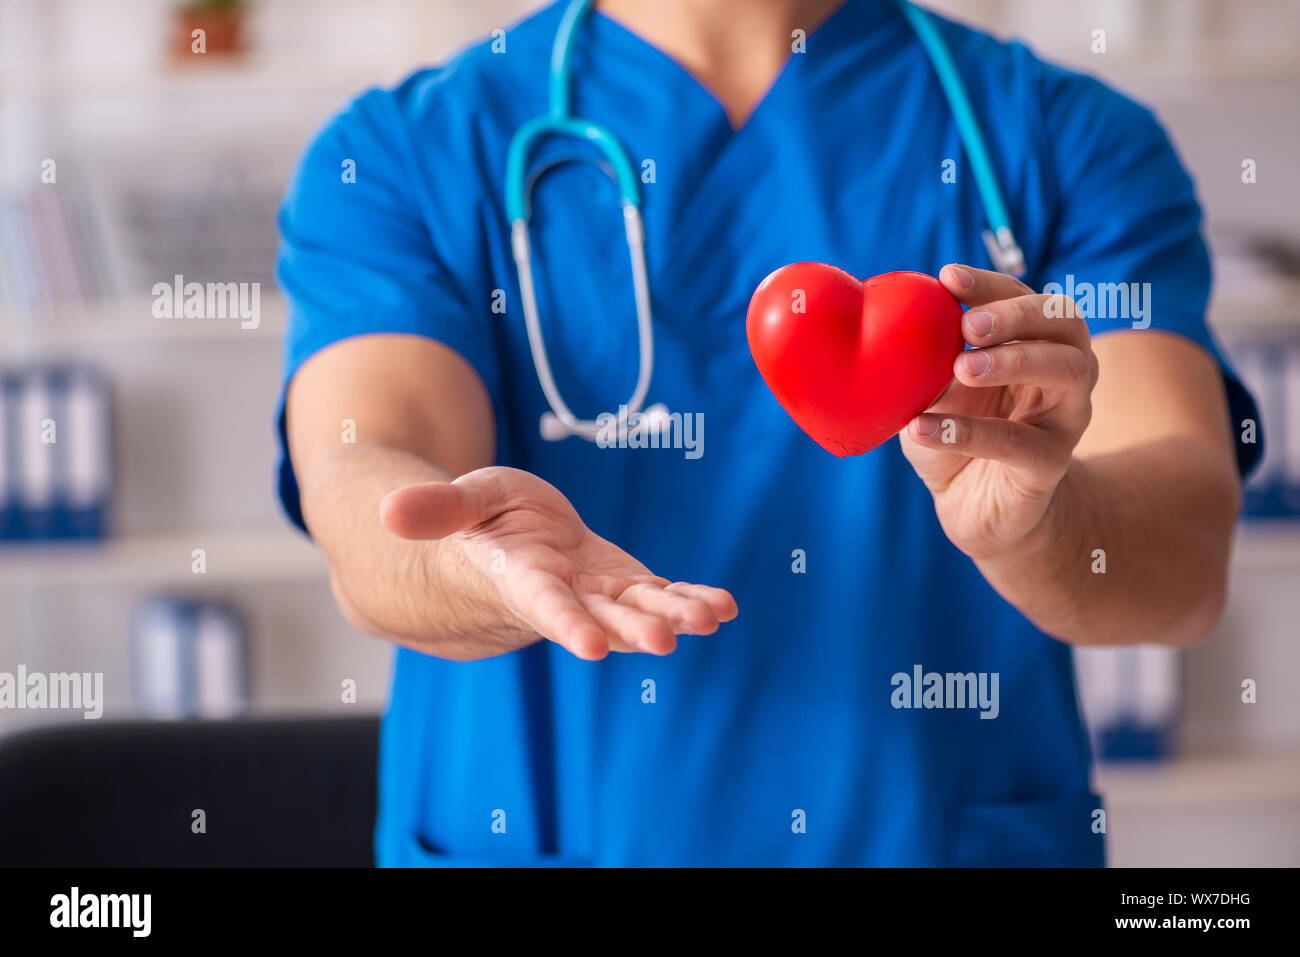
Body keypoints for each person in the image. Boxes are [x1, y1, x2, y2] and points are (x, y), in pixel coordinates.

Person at [274, 0, 1257, 866]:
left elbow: (1181, 565)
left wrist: (1042, 529)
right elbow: (368, 483)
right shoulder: (405, 153)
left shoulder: (1064, 139)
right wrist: (467, 564)